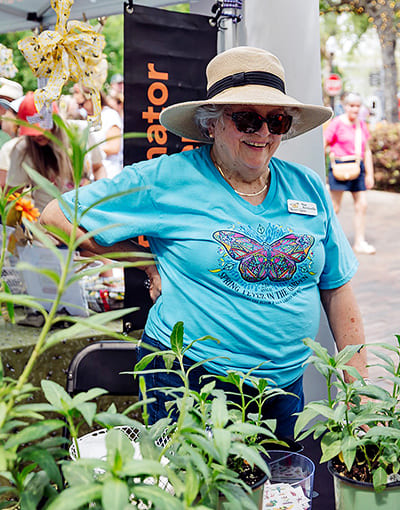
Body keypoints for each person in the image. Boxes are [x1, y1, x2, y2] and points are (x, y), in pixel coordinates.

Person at [40, 46, 368, 439]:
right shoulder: (168, 179)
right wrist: (143, 261)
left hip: (283, 388)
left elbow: (337, 289)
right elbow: (57, 217)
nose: (263, 133)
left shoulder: (308, 187)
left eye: (276, 120)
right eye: (247, 119)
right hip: (190, 381)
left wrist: (357, 391)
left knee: (274, 493)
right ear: (211, 124)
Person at [3, 92, 100, 208]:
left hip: (85, 214)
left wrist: (102, 197)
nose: (36, 136)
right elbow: (12, 194)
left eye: (42, 128)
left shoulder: (80, 132)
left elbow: (98, 167)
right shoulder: (23, 150)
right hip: (46, 221)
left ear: (55, 120)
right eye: (31, 131)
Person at [324, 92, 376, 255]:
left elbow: (367, 150)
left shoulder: (361, 126)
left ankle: (359, 242)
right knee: (335, 207)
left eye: (357, 106)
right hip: (339, 167)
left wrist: (370, 174)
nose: (354, 109)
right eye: (351, 106)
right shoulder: (336, 124)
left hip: (357, 166)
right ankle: (328, 241)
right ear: (345, 106)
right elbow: (323, 145)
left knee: (362, 204)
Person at [72, 79, 123, 179]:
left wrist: (89, 150)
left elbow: (114, 147)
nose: (81, 108)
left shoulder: (109, 115)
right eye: (78, 105)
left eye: (82, 104)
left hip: (109, 176)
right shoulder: (86, 118)